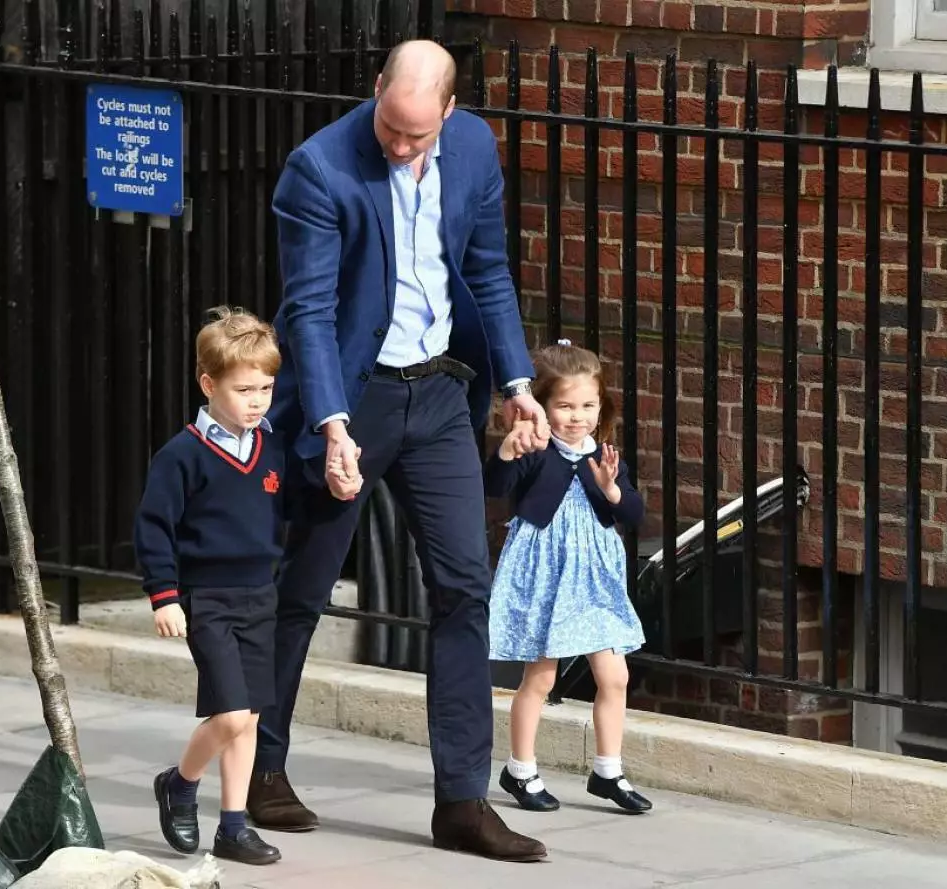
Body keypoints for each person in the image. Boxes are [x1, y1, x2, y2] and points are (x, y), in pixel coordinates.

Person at [247, 39, 550, 861]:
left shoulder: (476, 147)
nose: (400, 146)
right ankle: (259, 770)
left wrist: (517, 383)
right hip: (358, 399)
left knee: (464, 587)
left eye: (417, 135)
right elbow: (307, 311)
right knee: (303, 590)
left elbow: (487, 270)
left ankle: (461, 799)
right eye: (390, 126)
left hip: (443, 395)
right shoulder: (319, 171)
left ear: (448, 112)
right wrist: (331, 425)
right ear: (377, 90)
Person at [133, 307, 287, 867]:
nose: (257, 400)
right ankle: (179, 781)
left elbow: (286, 507)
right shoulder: (182, 455)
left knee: (249, 717)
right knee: (228, 715)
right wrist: (164, 595)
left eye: (266, 387)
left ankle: (234, 825)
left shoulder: (271, 448)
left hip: (259, 595)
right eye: (244, 389)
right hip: (209, 599)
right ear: (208, 383)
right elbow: (153, 528)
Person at [484, 339, 652, 815]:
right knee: (540, 678)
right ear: (542, 404)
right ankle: (520, 769)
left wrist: (612, 491)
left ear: (601, 407)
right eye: (564, 405)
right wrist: (507, 453)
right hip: (546, 574)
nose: (577, 416)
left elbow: (636, 512)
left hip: (595, 579)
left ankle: (608, 771)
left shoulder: (604, 455)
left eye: (588, 405)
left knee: (614, 676)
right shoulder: (536, 449)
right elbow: (494, 488)